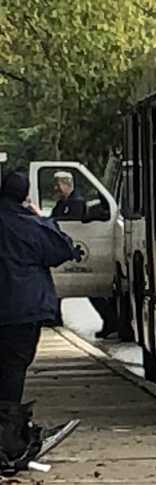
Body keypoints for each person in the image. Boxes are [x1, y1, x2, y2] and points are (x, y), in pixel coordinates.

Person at [0, 172, 78, 405]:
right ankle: (8, 418)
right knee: (14, 368)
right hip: (22, 310)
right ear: (25, 195)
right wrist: (40, 217)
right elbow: (62, 249)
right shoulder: (31, 225)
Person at [48, 172, 118, 339]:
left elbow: (69, 222)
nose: (56, 188)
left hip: (77, 249)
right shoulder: (61, 203)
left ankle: (112, 322)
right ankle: (54, 319)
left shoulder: (76, 202)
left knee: (92, 290)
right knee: (58, 287)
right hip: (65, 250)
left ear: (67, 184)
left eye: (58, 185)